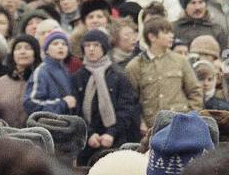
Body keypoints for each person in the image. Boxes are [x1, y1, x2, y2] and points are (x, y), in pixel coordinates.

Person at [125, 16, 202, 129]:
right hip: (151, 126)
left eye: (171, 32)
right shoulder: (135, 66)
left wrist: (191, 117)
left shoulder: (180, 61)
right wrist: (140, 122)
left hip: (180, 123)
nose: (171, 36)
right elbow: (131, 101)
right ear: (152, 37)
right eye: (166, 33)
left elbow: (195, 91)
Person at [73, 30, 141, 158]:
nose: (91, 49)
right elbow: (76, 110)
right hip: (86, 141)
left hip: (116, 139)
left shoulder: (118, 75)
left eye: (96, 45)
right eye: (87, 46)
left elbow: (126, 108)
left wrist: (112, 133)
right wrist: (89, 133)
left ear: (104, 47)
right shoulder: (78, 77)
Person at [23, 29, 77, 117]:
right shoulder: (41, 72)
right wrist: (62, 104)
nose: (60, 46)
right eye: (55, 44)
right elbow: (30, 104)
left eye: (64, 44)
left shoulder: (66, 71)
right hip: (48, 126)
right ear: (47, 50)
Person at [0, 35, 40, 128]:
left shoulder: (42, 80)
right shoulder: (1, 82)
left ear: (35, 53)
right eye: (18, 48)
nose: (22, 51)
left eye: (28, 48)